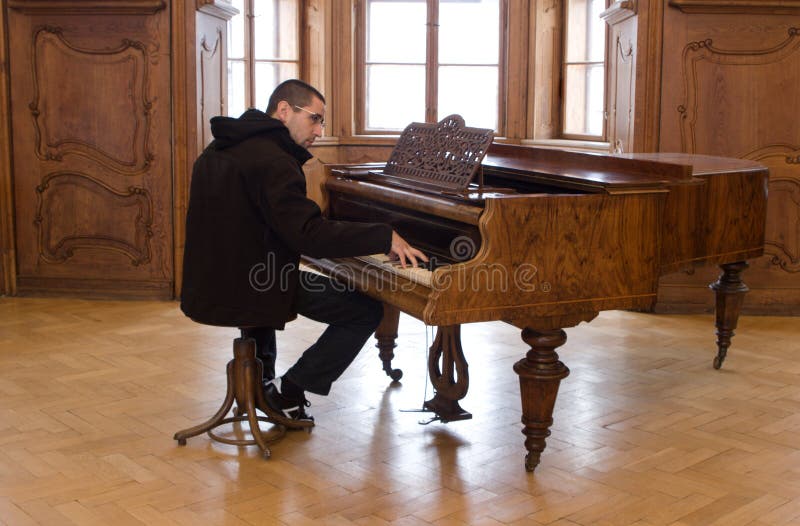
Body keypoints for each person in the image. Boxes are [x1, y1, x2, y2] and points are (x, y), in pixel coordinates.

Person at [180, 79, 426, 428]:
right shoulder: (273, 159)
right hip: (251, 285)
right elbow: (309, 235)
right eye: (315, 118)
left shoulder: (221, 147)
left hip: (213, 283)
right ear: (284, 110)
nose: (320, 130)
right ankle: (291, 391)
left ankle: (262, 383)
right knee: (365, 311)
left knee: (275, 280)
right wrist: (382, 236)